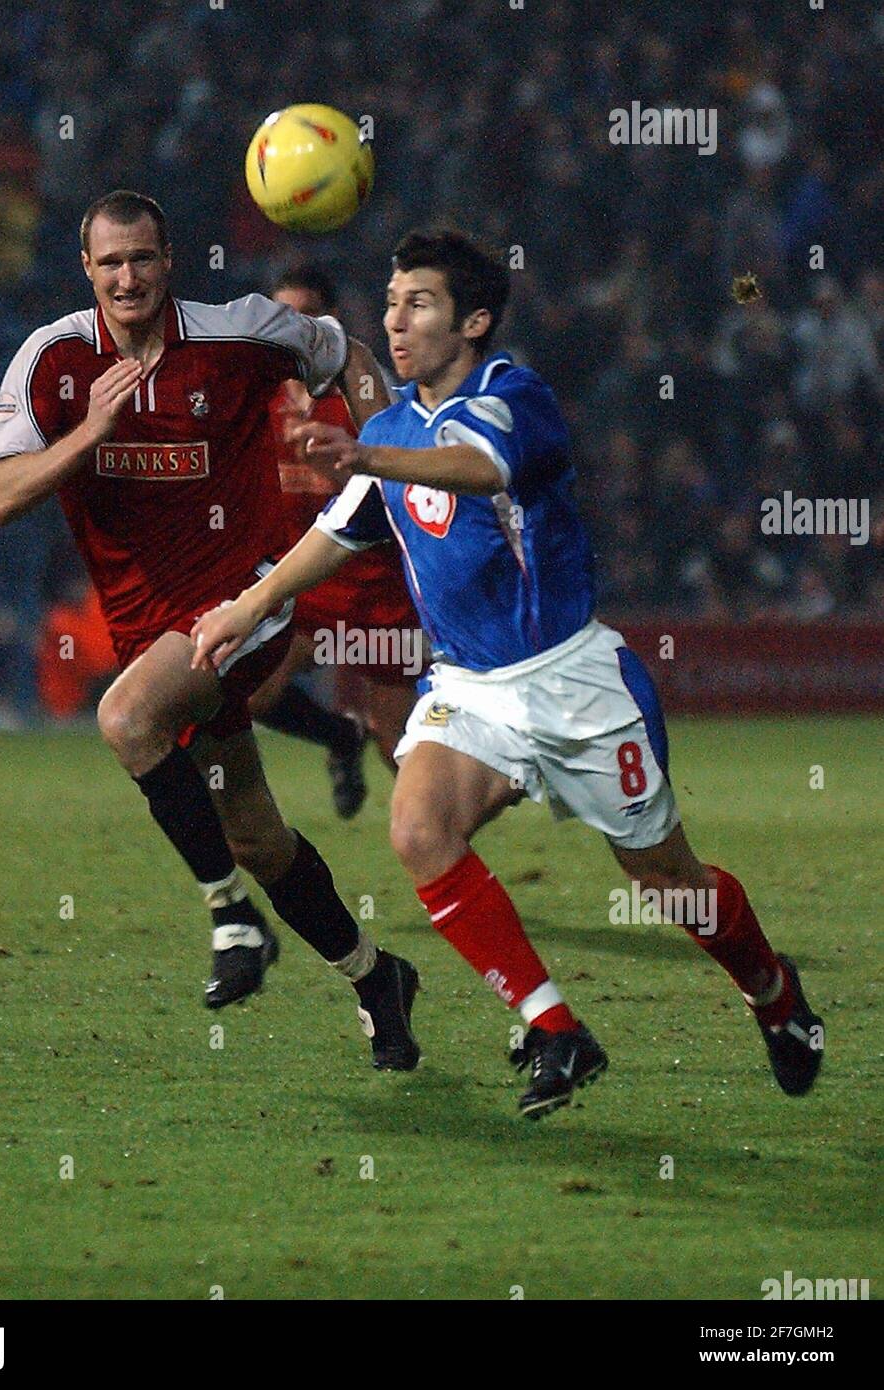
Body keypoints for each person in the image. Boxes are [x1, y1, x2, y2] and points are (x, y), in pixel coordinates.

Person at [193, 227, 825, 1118]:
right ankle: (554, 1028)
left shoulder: (513, 397)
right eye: (391, 301)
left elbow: (477, 468)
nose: (396, 321)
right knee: (416, 828)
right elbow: (335, 534)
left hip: (574, 682)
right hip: (471, 689)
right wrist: (244, 608)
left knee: (666, 883)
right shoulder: (389, 427)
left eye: (420, 303)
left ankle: (774, 997)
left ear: (474, 320)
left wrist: (368, 456)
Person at [0, 189, 419, 1067]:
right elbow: (0, 498)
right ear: (86, 269)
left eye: (142, 257)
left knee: (124, 718)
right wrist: (90, 432)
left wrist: (389, 461)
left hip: (247, 590)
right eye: (110, 263)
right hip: (148, 624)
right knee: (257, 833)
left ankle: (230, 921)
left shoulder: (240, 332)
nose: (127, 276)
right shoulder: (52, 360)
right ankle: (375, 975)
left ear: (168, 258)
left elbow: (349, 352)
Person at [250, 264, 421, 817]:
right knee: (254, 694)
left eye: (304, 316)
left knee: (397, 743)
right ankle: (340, 738)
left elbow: (403, 487)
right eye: (280, 316)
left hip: (378, 584)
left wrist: (349, 466)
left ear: (329, 323)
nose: (290, 328)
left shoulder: (362, 386)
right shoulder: (256, 397)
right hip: (307, 581)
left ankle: (446, 849)